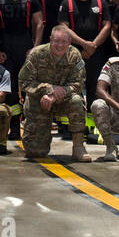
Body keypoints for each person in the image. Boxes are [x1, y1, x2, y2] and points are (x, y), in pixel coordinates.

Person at [19, 25, 90, 161]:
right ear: (50, 39)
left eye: (64, 42)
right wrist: (48, 89)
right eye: (56, 41)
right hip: (39, 101)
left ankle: (78, 147)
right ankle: (41, 138)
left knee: (76, 101)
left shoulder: (74, 55)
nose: (60, 45)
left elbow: (78, 83)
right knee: (36, 153)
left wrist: (59, 93)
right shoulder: (37, 54)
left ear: (69, 42)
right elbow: (24, 82)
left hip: (64, 99)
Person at [0, 0, 39, 137]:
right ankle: (13, 127)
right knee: (10, 90)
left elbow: (39, 23)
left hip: (25, 46)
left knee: (29, 88)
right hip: (6, 48)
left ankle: (30, 126)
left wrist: (35, 47)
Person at [59, 0, 111, 103]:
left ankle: (92, 122)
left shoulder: (101, 2)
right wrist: (84, 45)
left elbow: (107, 26)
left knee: (95, 89)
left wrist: (93, 46)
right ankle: (70, 124)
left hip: (96, 54)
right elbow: (64, 27)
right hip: (73, 54)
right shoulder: (67, 3)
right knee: (72, 89)